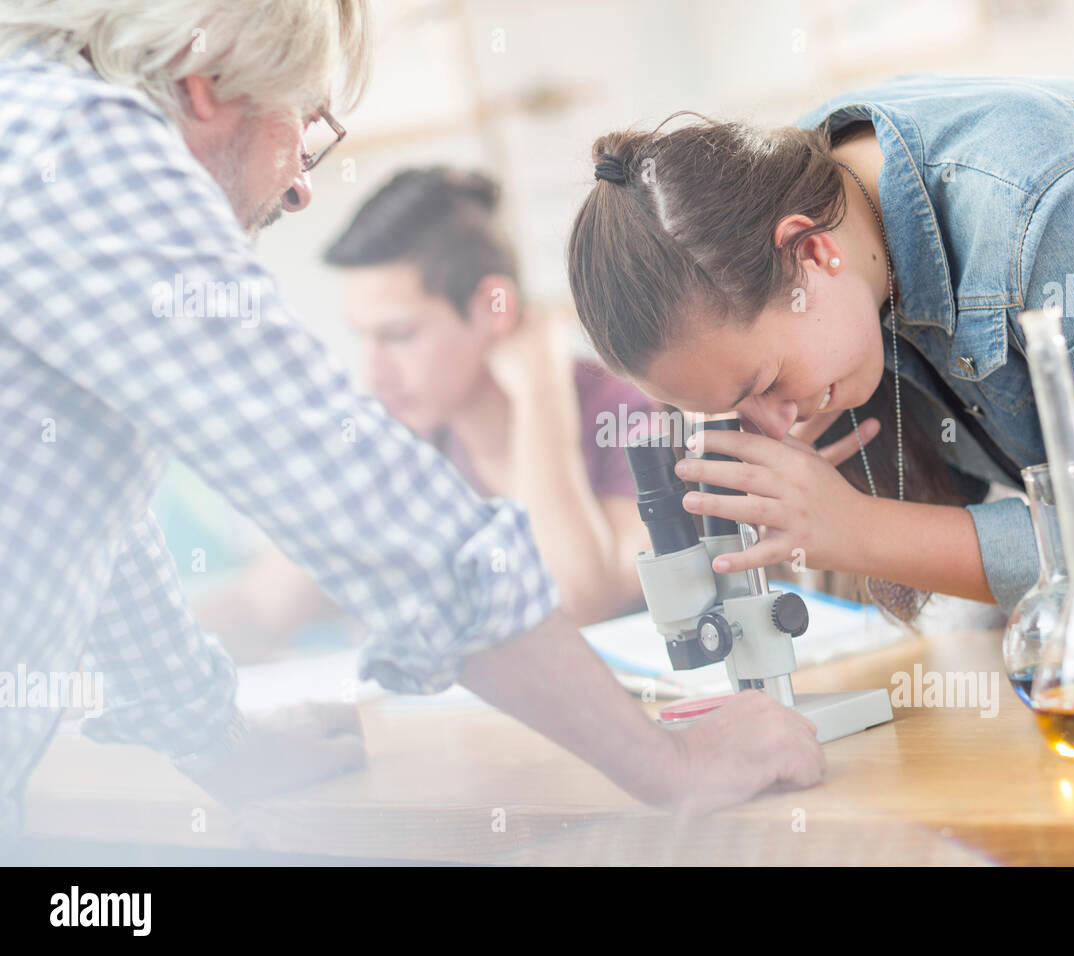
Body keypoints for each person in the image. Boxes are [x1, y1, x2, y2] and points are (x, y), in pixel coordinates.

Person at [0, 0, 824, 842]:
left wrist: (217, 744)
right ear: (202, 78)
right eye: (306, 117)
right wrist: (668, 765)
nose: (301, 179)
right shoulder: (80, 147)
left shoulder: (35, 135)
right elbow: (346, 490)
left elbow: (102, 504)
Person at [566, 78, 1074, 629]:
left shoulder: (1049, 201)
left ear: (811, 253)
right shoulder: (812, 205)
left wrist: (856, 530)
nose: (780, 422)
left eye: (765, 382)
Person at [197, 168, 654, 653]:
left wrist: (541, 395)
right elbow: (262, 603)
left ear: (492, 308)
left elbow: (578, 603)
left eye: (398, 336)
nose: (375, 376)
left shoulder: (623, 412)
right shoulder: (401, 442)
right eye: (366, 338)